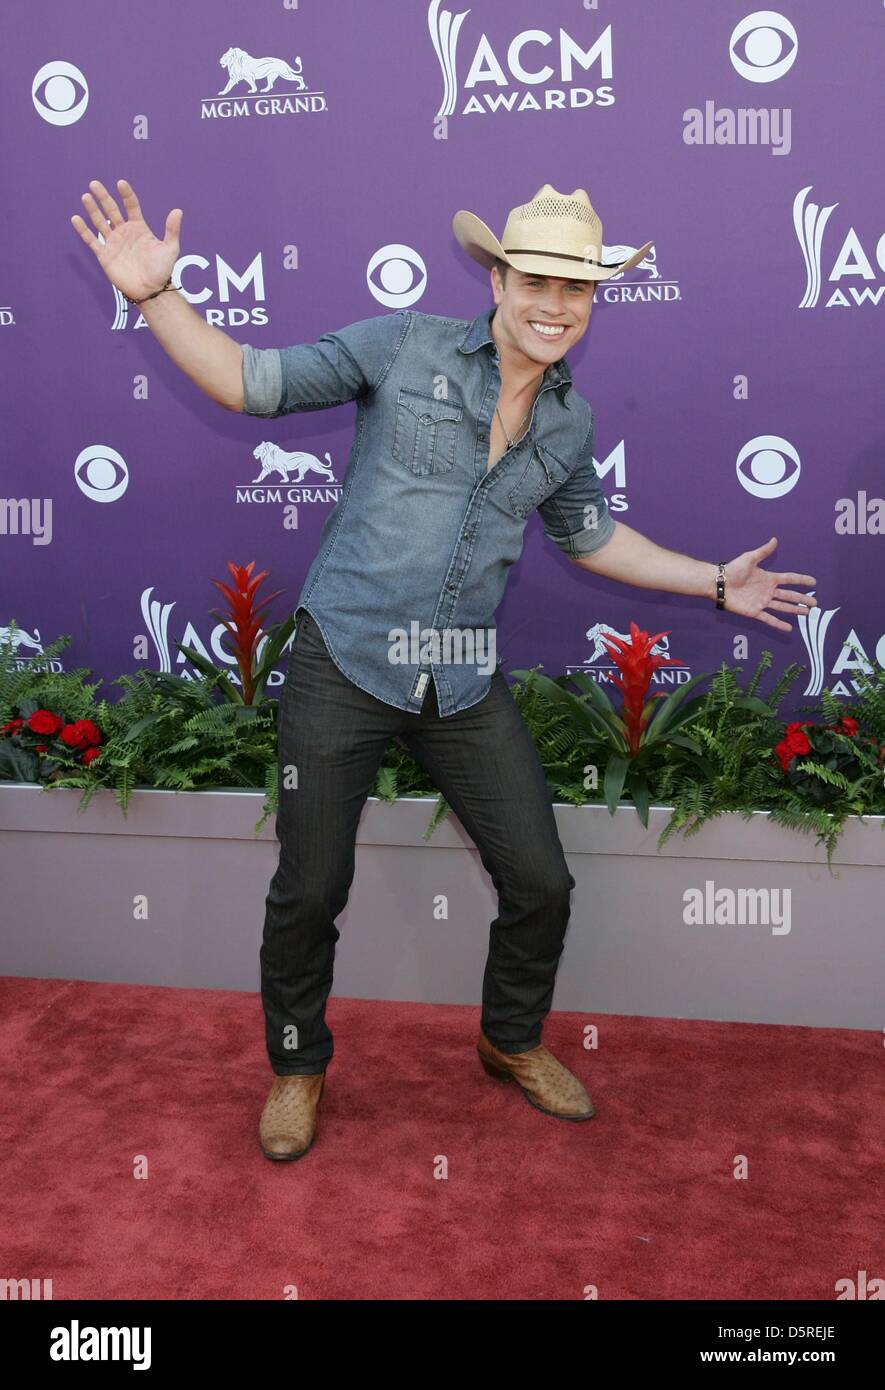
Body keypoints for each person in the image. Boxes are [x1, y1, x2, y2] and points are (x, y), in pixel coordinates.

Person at [72, 179, 818, 1162]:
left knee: (542, 881)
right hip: (344, 658)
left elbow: (592, 537)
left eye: (578, 289)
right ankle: (298, 1064)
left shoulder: (569, 423)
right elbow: (250, 383)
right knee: (310, 886)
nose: (556, 304)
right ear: (499, 277)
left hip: (460, 674)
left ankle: (508, 1041)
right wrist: (158, 296)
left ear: (594, 301)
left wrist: (715, 582)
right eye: (538, 280)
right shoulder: (403, 344)